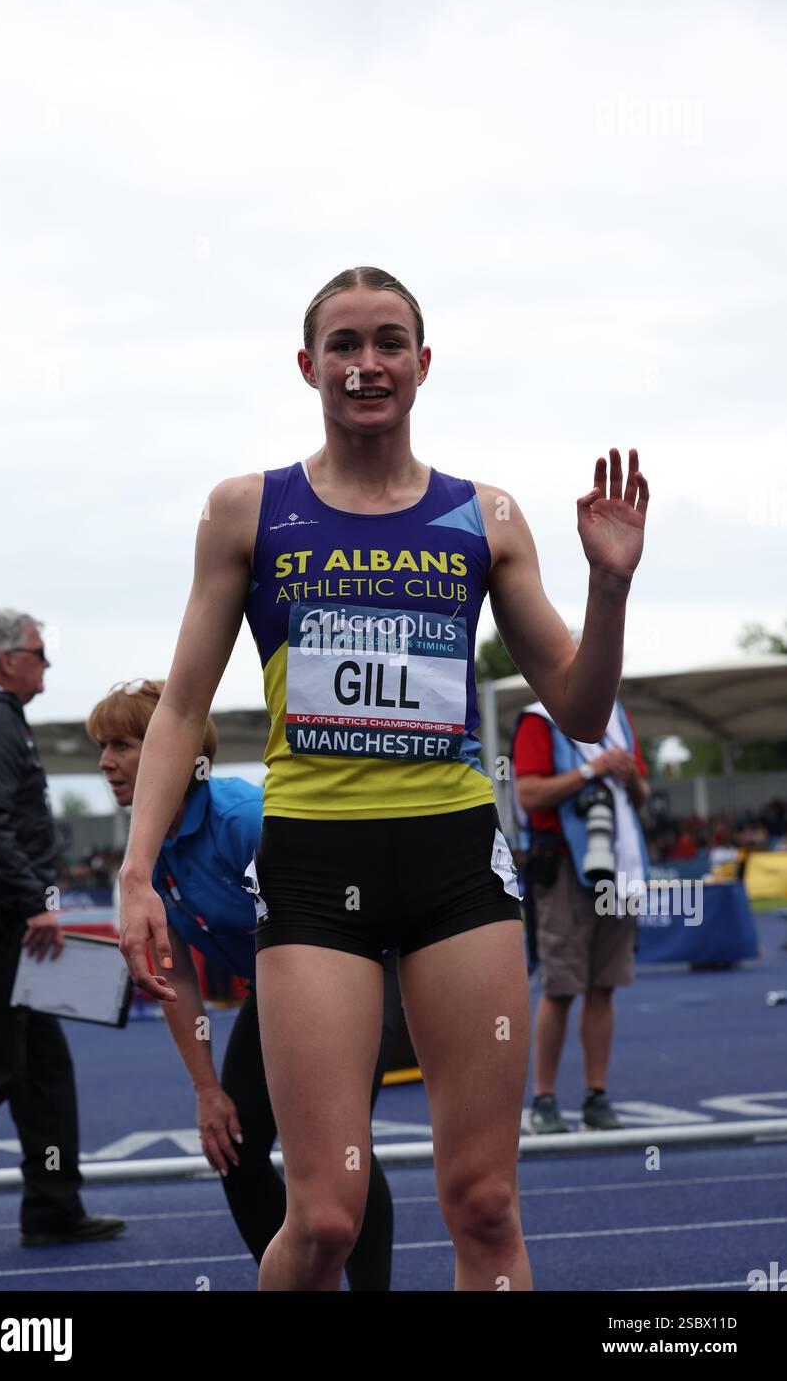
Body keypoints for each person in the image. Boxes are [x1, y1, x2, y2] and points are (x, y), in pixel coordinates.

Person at [117, 266, 649, 1291]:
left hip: (455, 862)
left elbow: (579, 709)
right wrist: (136, 870)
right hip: (315, 866)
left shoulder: (483, 516)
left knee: (485, 1205)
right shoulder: (246, 510)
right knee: (321, 1219)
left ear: (422, 362)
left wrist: (609, 588)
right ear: (309, 364)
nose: (368, 365)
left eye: (390, 342)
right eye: (347, 345)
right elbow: (181, 706)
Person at [87, 678, 399, 1289]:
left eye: (120, 745)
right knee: (234, 1149)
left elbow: (342, 922)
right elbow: (173, 977)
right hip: (278, 992)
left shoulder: (241, 820)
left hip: (354, 974)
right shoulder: (150, 846)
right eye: (102, 746)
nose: (104, 763)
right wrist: (208, 1091)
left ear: (169, 750)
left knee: (344, 1150)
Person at [0, 609, 125, 1246]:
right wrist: (37, 898)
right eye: (39, 653)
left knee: (42, 1070)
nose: (46, 664)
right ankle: (52, 1205)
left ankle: (52, 1207)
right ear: (9, 660)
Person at [512, 696, 650, 1133]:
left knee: (604, 984)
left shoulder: (618, 716)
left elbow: (641, 795)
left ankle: (596, 1096)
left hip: (619, 863)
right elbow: (528, 794)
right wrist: (592, 770)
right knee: (561, 985)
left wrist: (627, 776)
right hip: (564, 866)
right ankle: (544, 1100)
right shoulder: (540, 718)